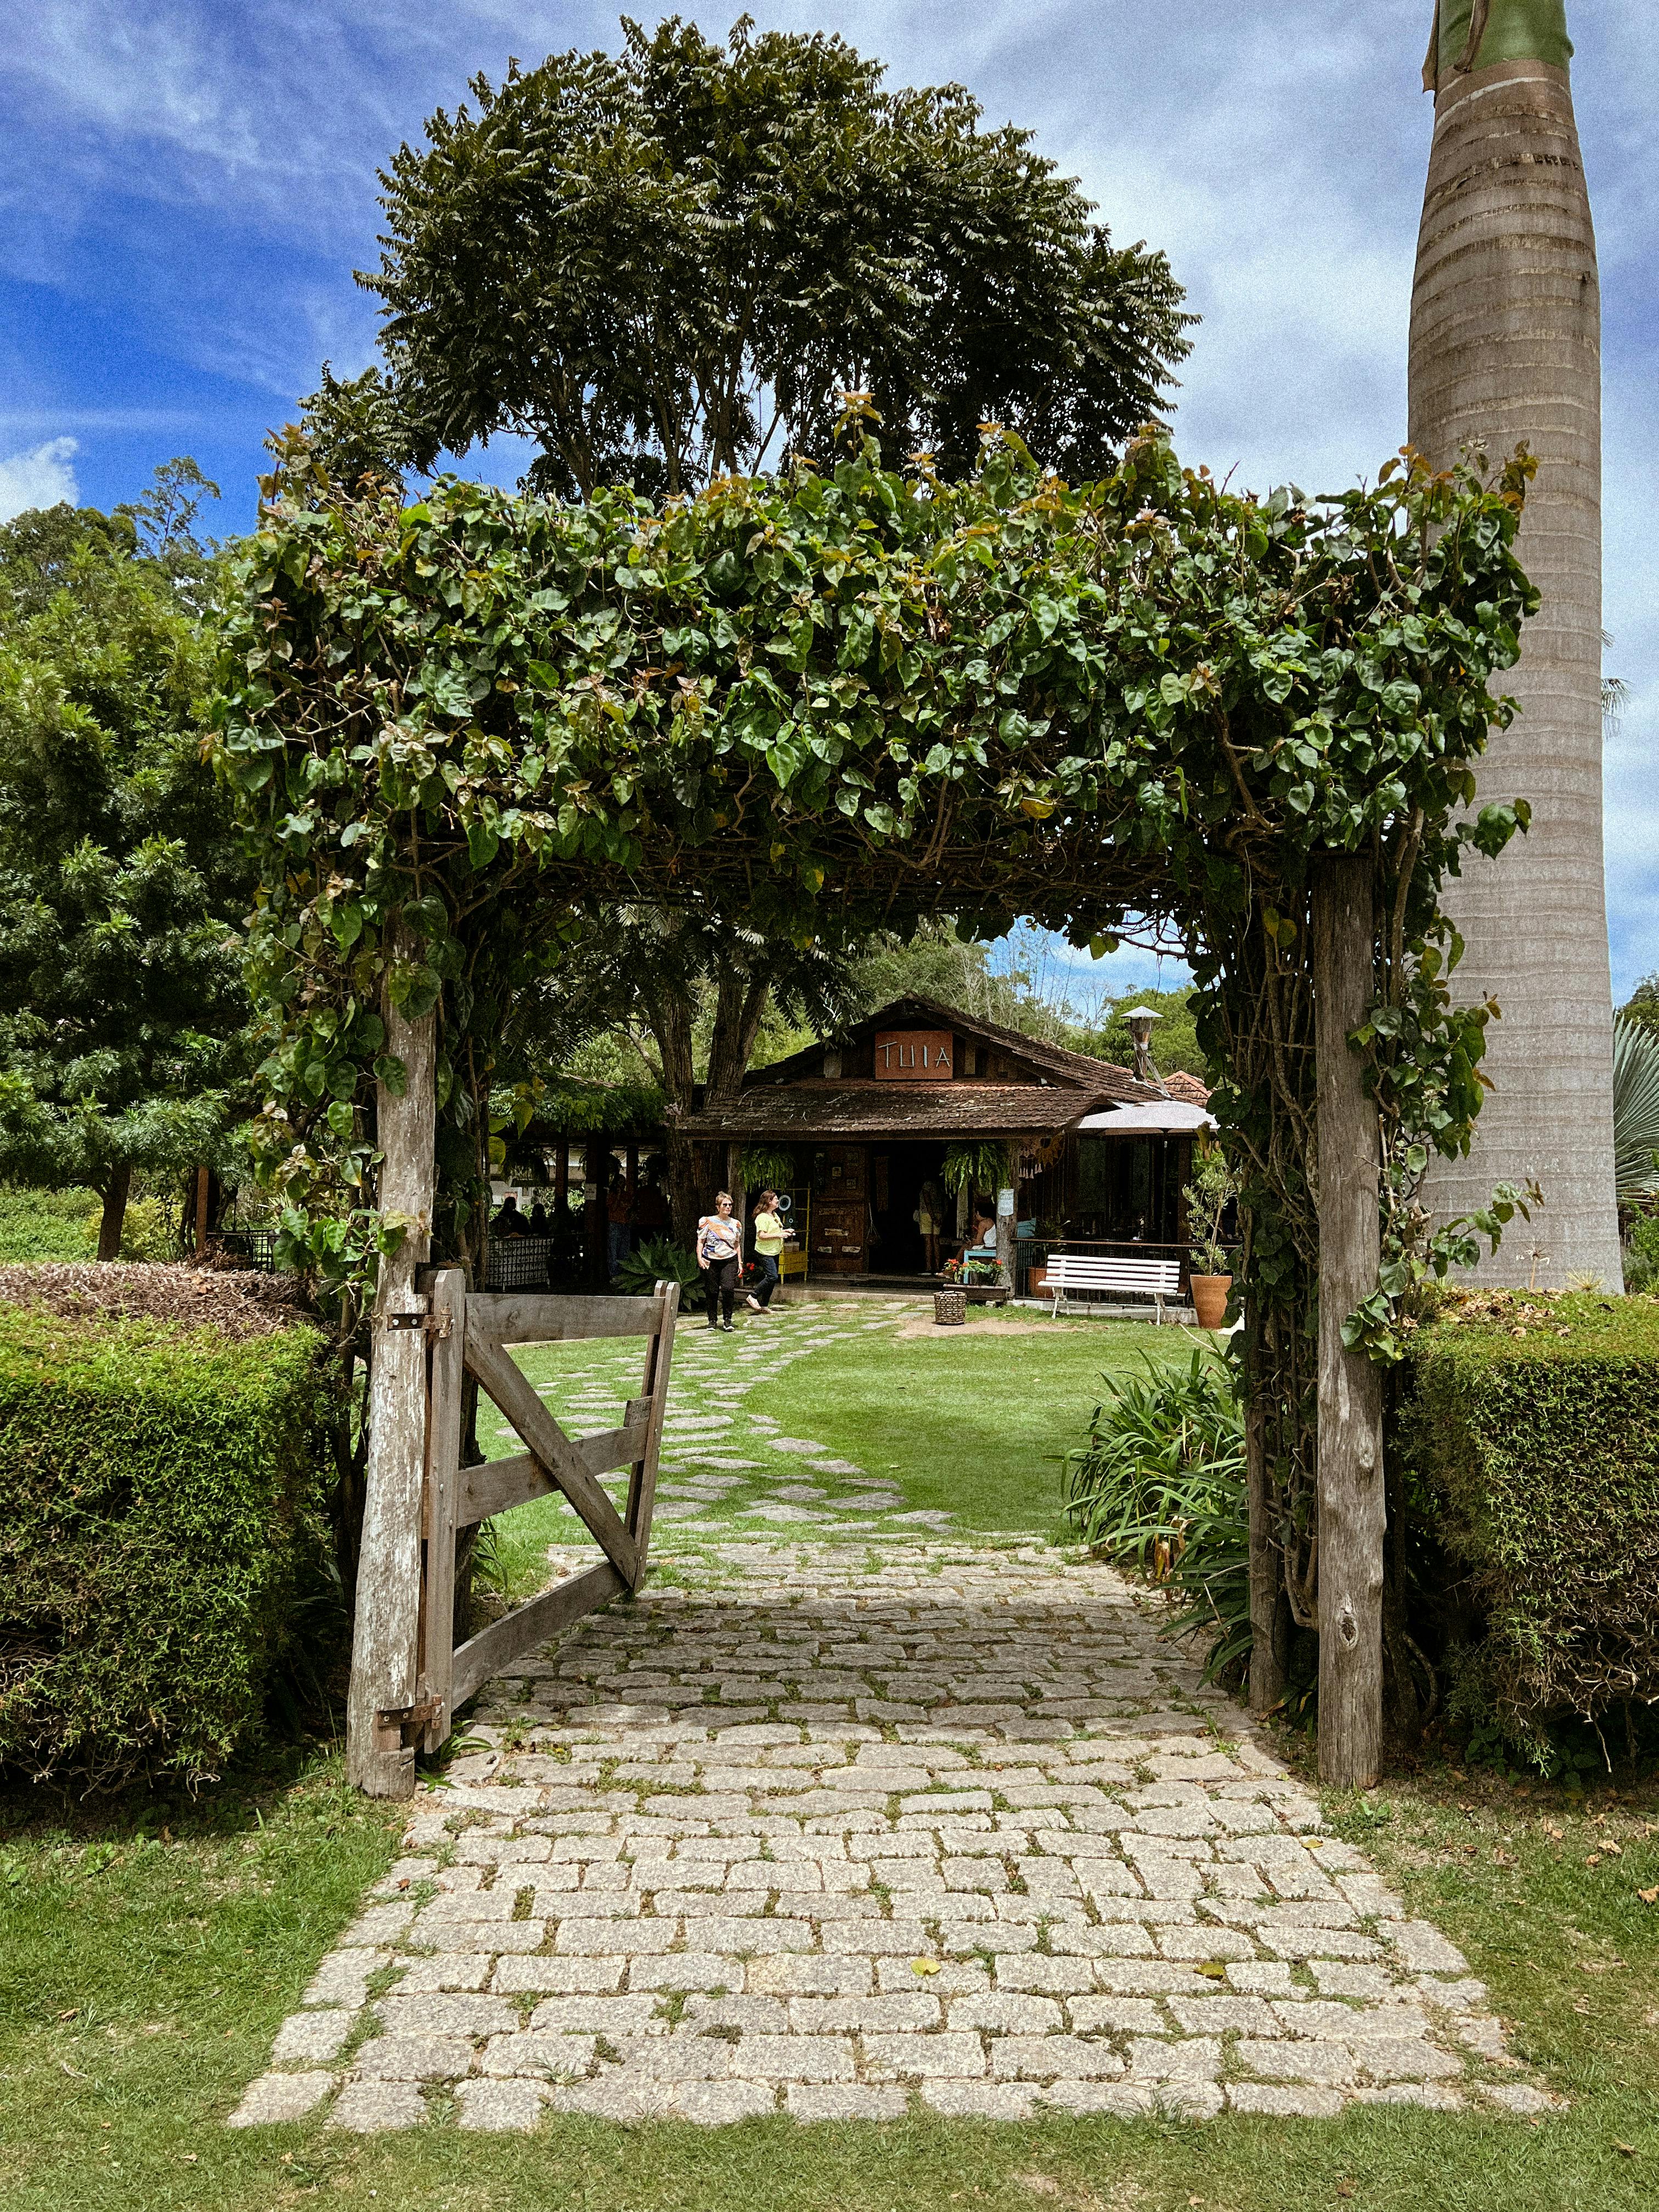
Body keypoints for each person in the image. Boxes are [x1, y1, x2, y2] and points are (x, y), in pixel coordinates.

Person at [696, 1189, 743, 1331]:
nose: (728, 1207)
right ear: (718, 1207)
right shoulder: (707, 1221)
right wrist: (700, 1258)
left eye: (730, 1205)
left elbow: (737, 1244)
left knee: (728, 1288)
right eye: (725, 1205)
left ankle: (728, 1320)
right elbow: (700, 1242)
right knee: (712, 1291)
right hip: (711, 1260)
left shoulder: (736, 1224)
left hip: (729, 1259)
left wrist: (740, 1262)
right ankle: (712, 1320)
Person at [746, 1188, 792, 1311]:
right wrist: (780, 1235)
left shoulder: (775, 1215)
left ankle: (764, 1305)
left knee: (772, 1278)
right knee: (772, 1276)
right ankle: (753, 1296)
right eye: (775, 1199)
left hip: (774, 1250)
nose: (778, 1200)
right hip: (764, 1252)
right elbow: (762, 1235)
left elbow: (775, 1231)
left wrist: (785, 1232)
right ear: (768, 1201)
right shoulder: (762, 1217)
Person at [606, 1166, 634, 1278]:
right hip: (615, 1224)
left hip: (625, 1224)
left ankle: (623, 1274)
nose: (623, 1185)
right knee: (614, 1250)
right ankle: (614, 1274)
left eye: (624, 1183)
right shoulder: (612, 1195)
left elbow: (631, 1207)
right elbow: (612, 1208)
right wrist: (618, 1195)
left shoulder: (627, 1195)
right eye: (620, 1182)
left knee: (624, 1251)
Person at [916, 1176, 945, 1274]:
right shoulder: (939, 1186)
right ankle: (937, 1266)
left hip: (926, 1214)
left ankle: (929, 1267)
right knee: (936, 1240)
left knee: (928, 1241)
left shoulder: (927, 1185)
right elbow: (945, 1202)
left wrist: (932, 1216)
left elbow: (927, 1200)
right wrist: (942, 1215)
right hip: (939, 1213)